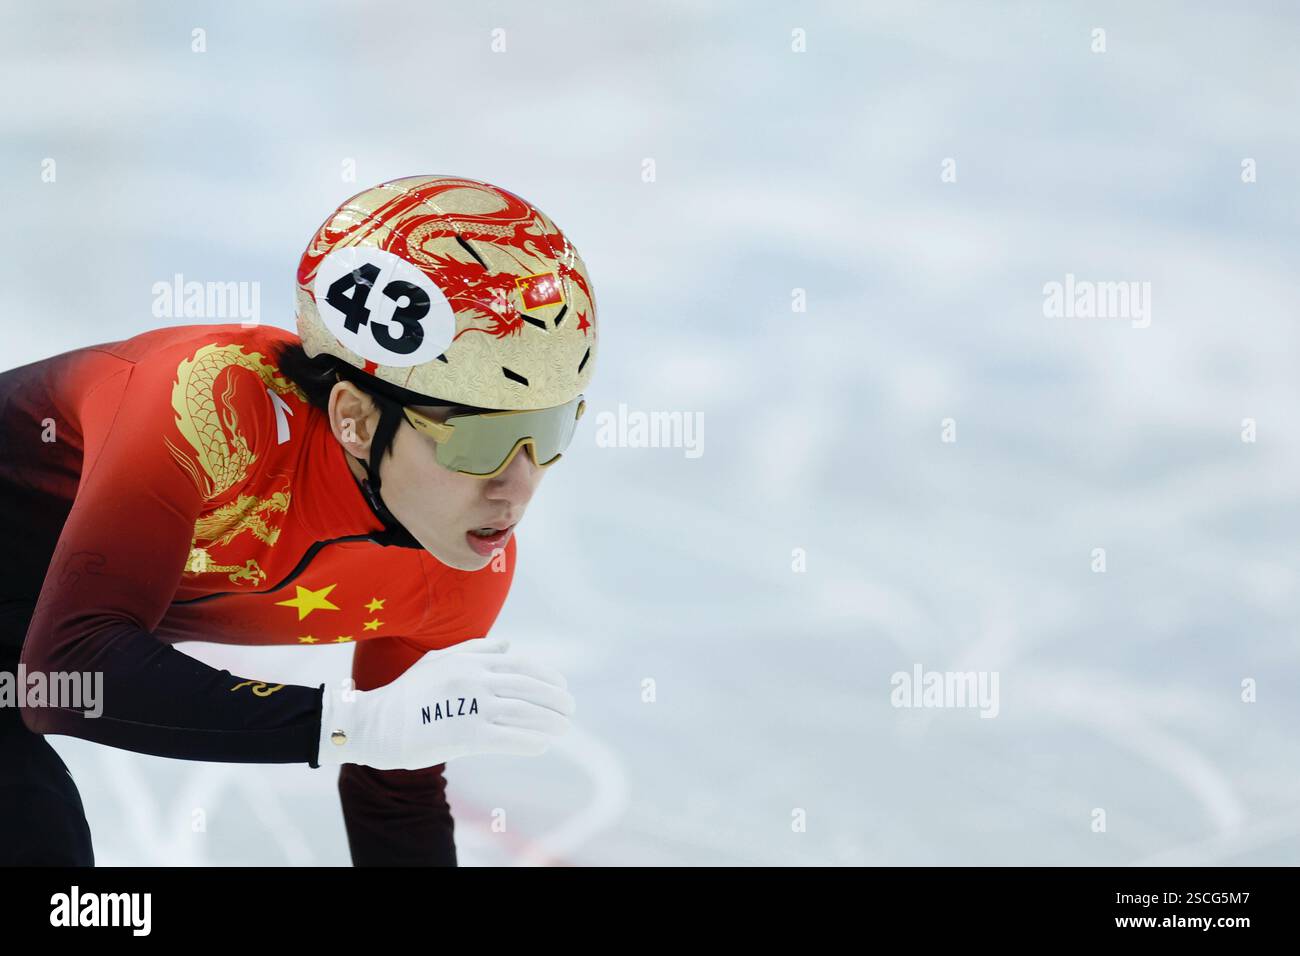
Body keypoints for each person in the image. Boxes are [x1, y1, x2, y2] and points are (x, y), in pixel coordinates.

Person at [0, 174, 598, 866]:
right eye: (481, 441)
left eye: (549, 434)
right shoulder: (208, 407)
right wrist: (345, 725)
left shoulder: (462, 557)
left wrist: (374, 735)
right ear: (354, 417)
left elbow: (395, 795)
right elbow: (66, 669)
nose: (517, 487)